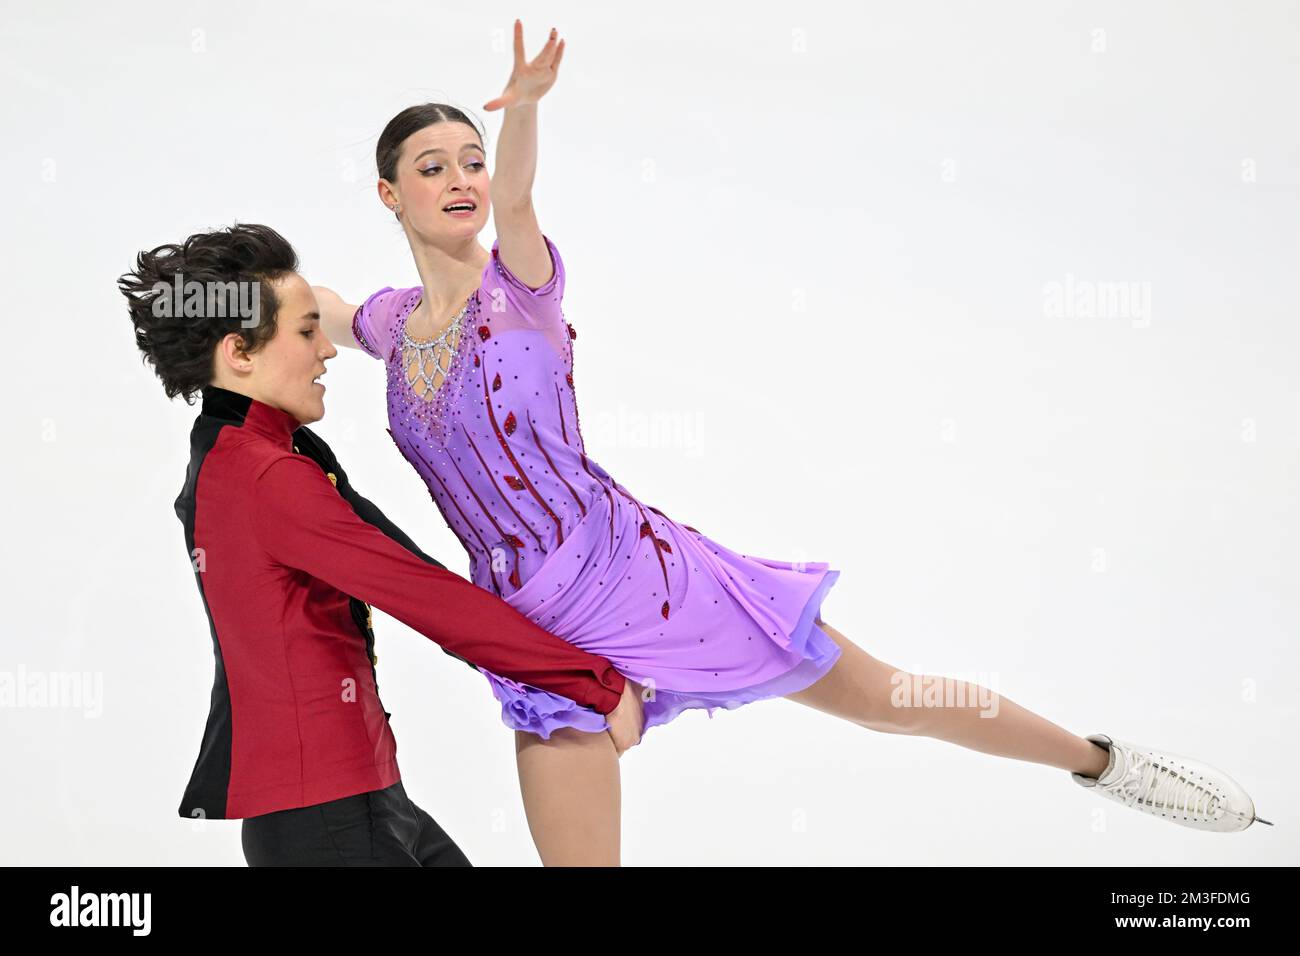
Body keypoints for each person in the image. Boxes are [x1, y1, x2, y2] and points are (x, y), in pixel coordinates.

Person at [311, 21, 1271, 864]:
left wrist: (522, 113)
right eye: (431, 167)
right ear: (388, 195)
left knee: (888, 698)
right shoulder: (395, 327)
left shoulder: (519, 288)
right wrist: (214, 283)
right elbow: (318, 308)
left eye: (469, 159)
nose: (461, 179)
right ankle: (620, 704)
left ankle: (1103, 762)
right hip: (522, 617)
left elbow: (518, 203)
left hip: (638, 573)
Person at [119, 220, 643, 866]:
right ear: (240, 354)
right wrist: (594, 684)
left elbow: (412, 568)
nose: (327, 351)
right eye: (307, 331)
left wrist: (563, 666)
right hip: (328, 827)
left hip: (364, 803)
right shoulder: (265, 477)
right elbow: (421, 596)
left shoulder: (253, 451)